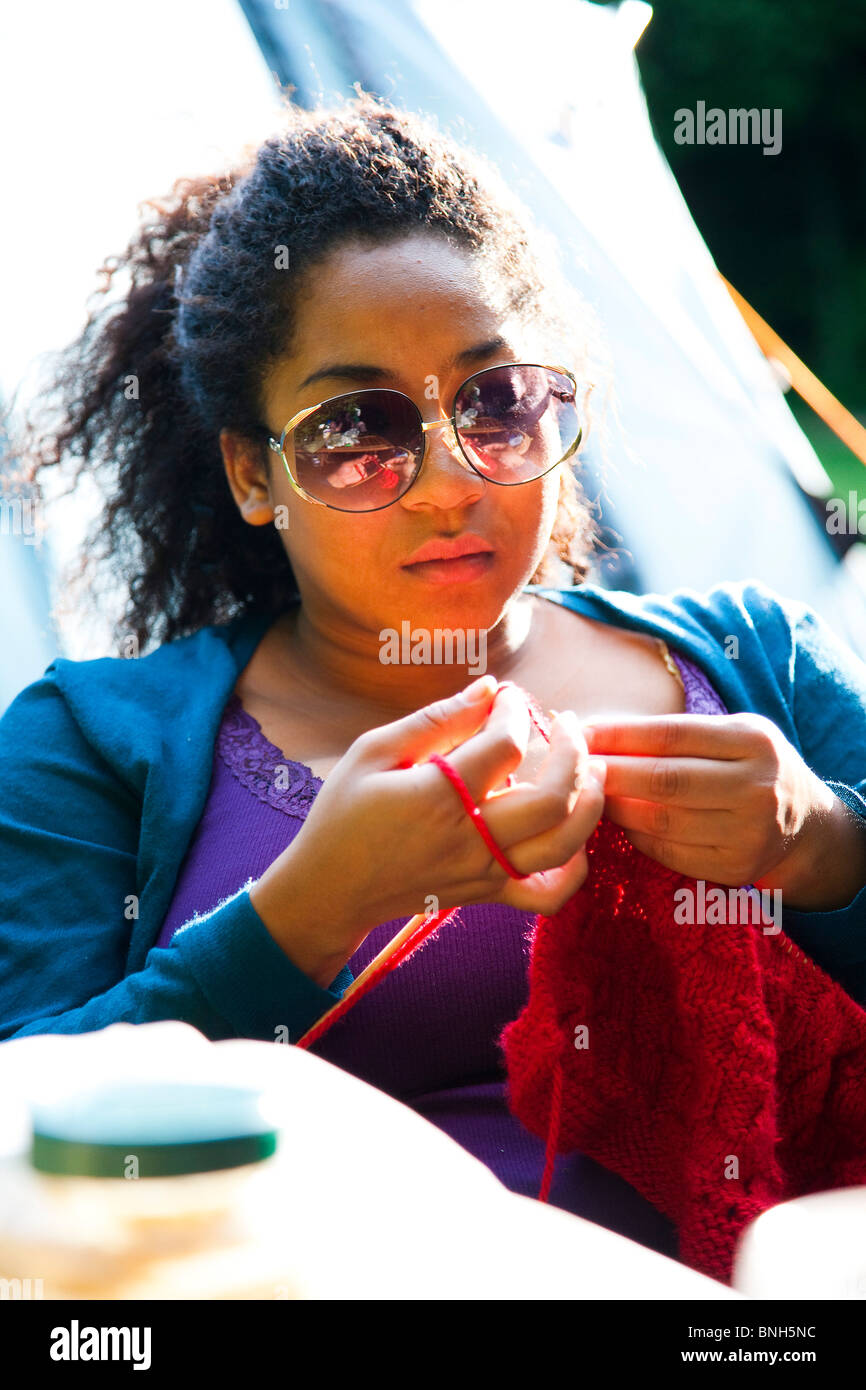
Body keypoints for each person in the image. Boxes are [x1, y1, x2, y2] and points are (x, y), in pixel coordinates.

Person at [3, 94, 866, 1263]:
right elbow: (31, 1140)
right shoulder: (88, 744)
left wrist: (819, 848)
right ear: (255, 474)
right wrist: (306, 911)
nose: (449, 479)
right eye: (360, 428)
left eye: (494, 401)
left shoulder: (754, 660)